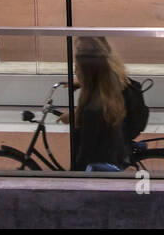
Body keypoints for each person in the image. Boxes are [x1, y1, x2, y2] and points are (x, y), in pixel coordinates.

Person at [58, 36, 138, 171]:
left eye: (77, 69)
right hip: (114, 155)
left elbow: (85, 154)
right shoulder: (109, 79)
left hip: (97, 169)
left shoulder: (92, 111)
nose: (75, 72)